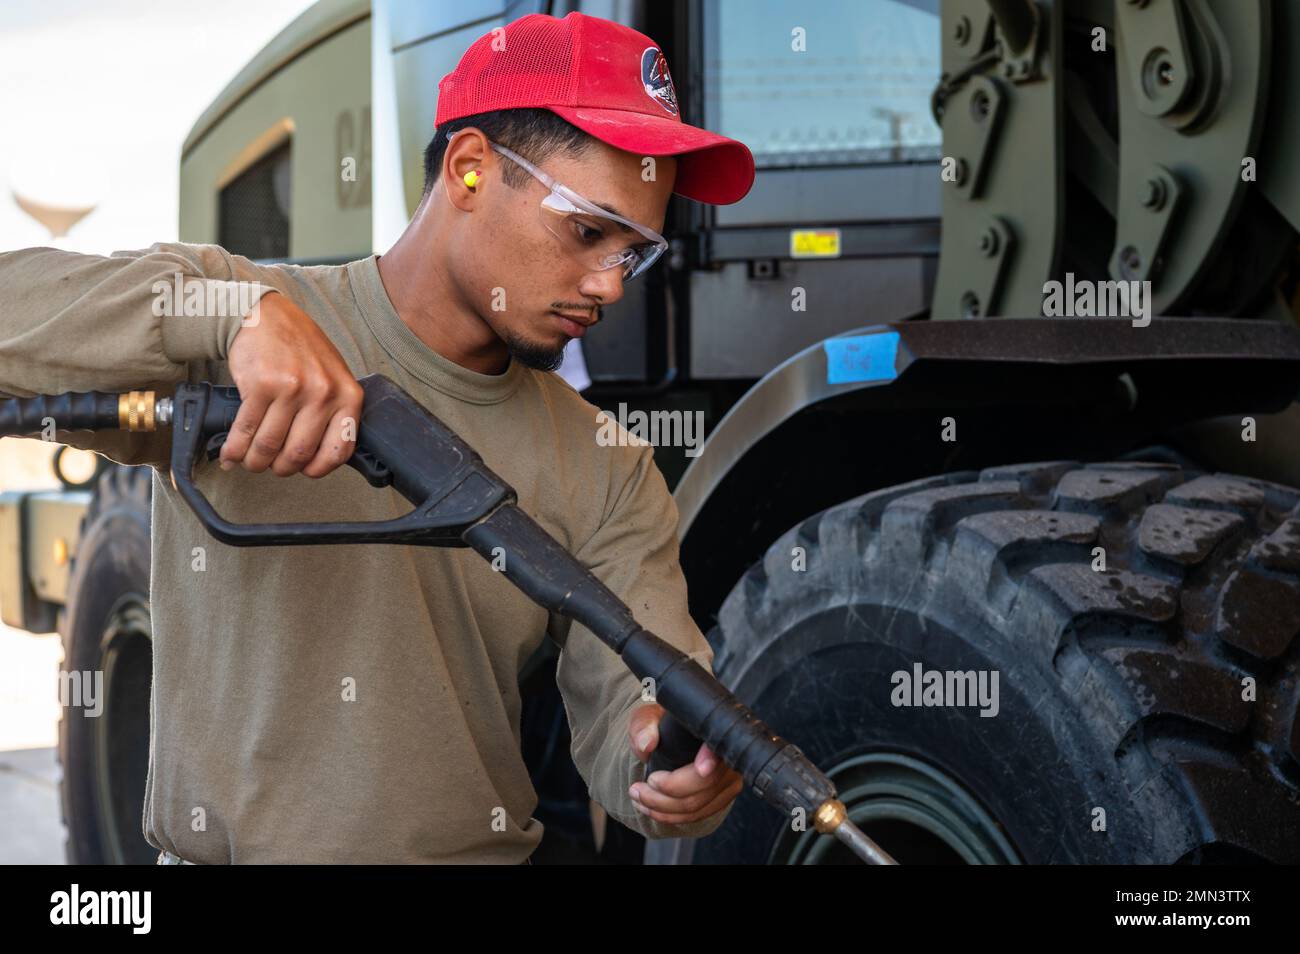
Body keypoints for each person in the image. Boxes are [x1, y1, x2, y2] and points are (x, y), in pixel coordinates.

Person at [0, 10, 755, 863]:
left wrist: (671, 764)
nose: (609, 285)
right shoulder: (233, 326)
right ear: (470, 171)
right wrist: (231, 314)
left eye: (634, 251)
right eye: (587, 231)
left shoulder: (607, 466)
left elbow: (636, 716)